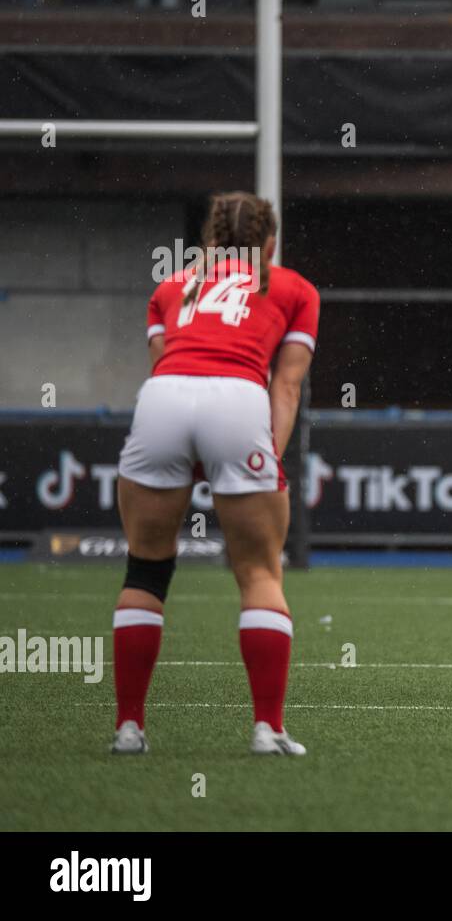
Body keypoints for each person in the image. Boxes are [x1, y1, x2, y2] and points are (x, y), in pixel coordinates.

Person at [112, 191, 319, 755]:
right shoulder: (292, 287)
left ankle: (129, 728)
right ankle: (267, 731)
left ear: (208, 240)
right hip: (239, 399)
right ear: (270, 243)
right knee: (258, 571)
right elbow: (287, 385)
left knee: (146, 570)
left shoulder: (170, 287)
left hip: (165, 398)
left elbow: (165, 366)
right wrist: (266, 457)